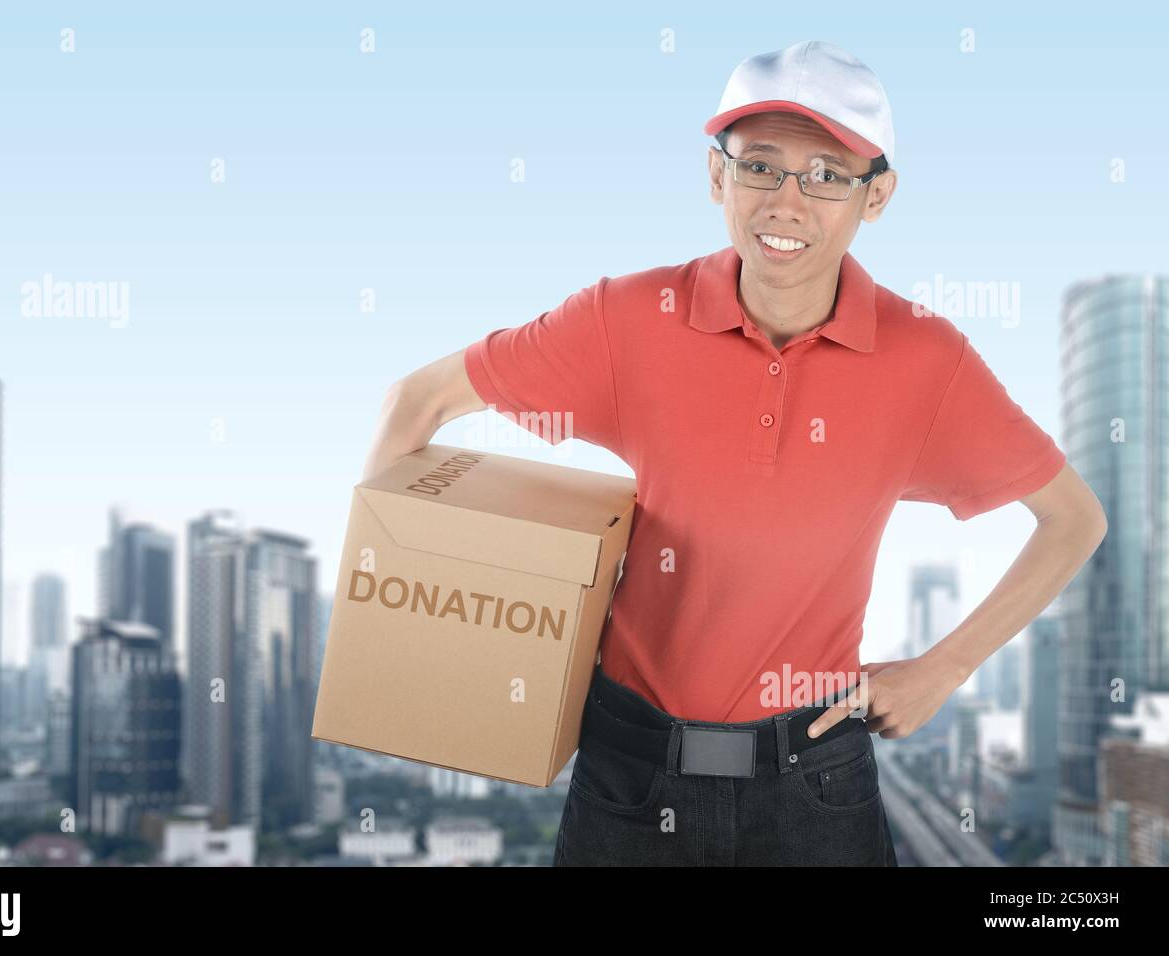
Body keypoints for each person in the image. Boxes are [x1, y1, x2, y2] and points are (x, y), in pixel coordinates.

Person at [359, 40, 1107, 866]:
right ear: (717, 177)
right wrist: (380, 629)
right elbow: (417, 401)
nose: (788, 200)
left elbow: (1072, 520)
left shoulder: (928, 362)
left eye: (827, 173)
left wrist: (944, 668)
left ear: (878, 196)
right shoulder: (626, 321)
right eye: (760, 166)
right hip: (629, 775)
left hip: (817, 785)